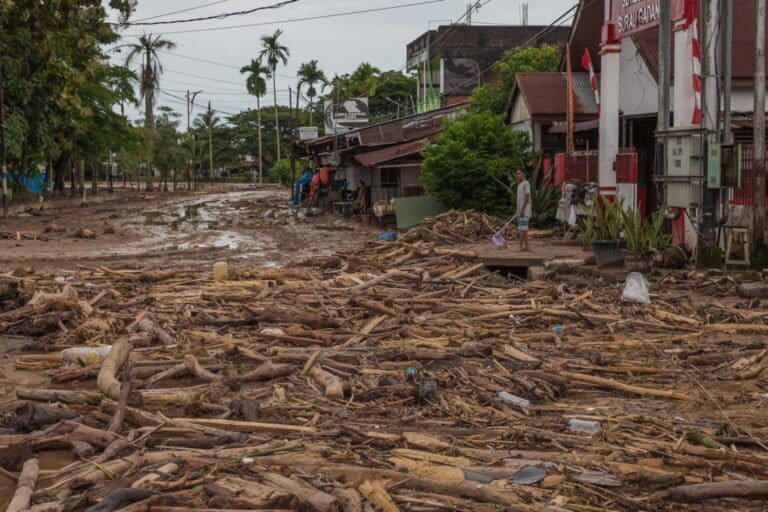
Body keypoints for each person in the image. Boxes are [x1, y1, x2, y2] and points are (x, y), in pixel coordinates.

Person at [515, 168, 532, 252]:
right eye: (517, 174)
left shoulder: (526, 183)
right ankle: (522, 246)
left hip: (524, 210)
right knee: (521, 229)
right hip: (520, 211)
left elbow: (527, 197)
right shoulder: (519, 185)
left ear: (523, 174)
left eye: (519, 173)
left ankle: (525, 246)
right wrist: (518, 210)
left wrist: (522, 209)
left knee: (523, 230)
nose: (518, 175)